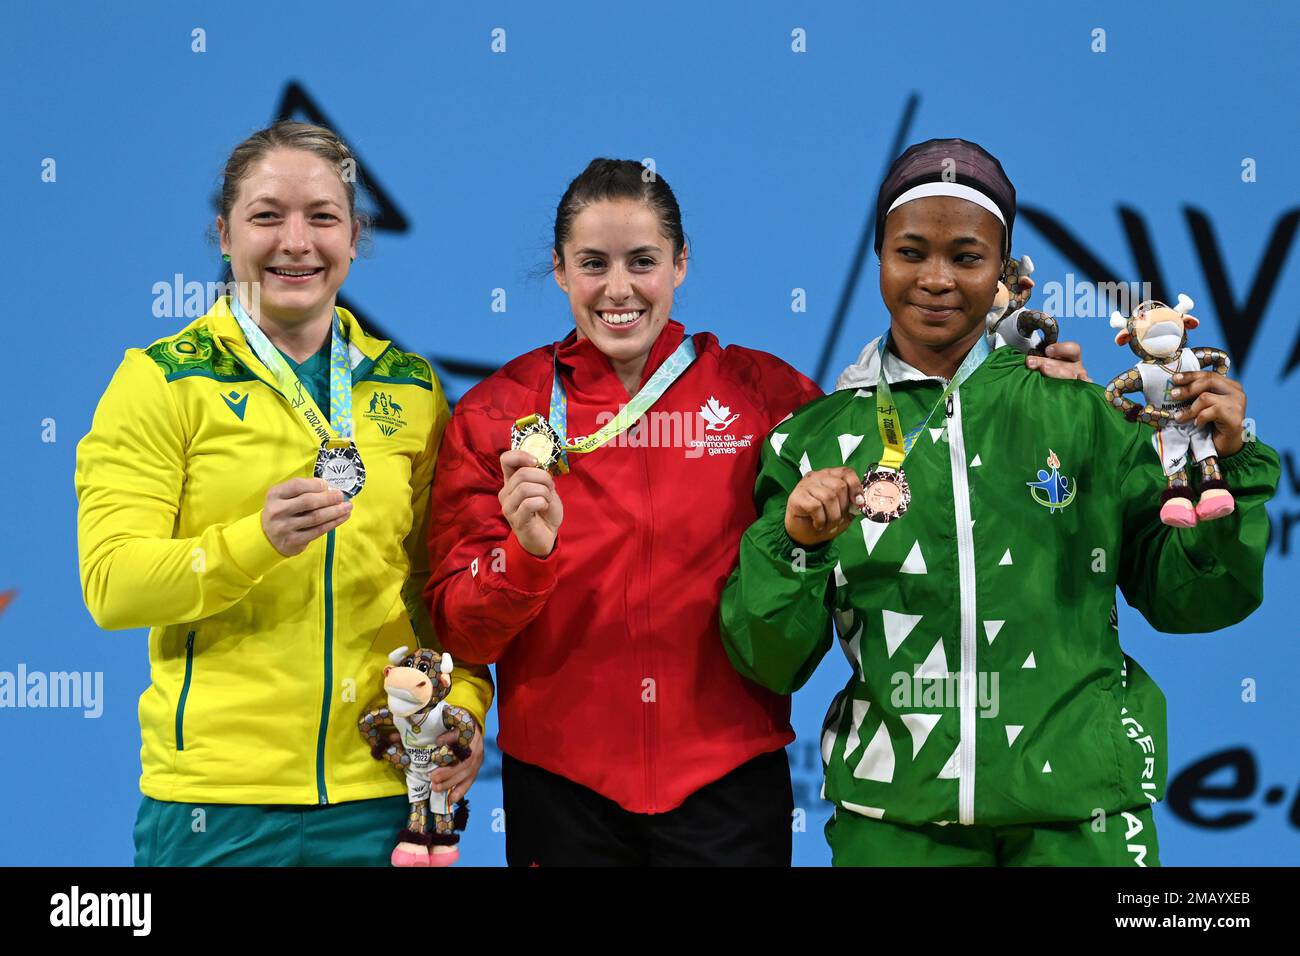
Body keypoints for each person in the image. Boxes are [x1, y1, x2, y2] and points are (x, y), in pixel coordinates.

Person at [424, 157, 1087, 866]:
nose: (618, 289)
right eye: (593, 263)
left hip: (729, 787)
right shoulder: (499, 412)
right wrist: (525, 558)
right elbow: (459, 628)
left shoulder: (763, 396)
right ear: (559, 269)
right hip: (560, 789)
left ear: (681, 264)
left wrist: (1024, 388)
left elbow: (913, 450)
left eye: (642, 261)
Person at [719, 138, 1280, 866]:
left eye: (968, 256)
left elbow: (1195, 602)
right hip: (896, 821)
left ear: (1008, 273)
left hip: (1080, 815)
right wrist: (797, 546)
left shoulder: (1086, 416)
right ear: (879, 256)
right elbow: (769, 660)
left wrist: (1227, 471)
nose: (937, 279)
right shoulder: (815, 441)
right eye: (911, 252)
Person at [75, 121, 492, 866]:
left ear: (356, 237)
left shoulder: (411, 387)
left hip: (380, 800)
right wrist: (253, 543)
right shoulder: (162, 380)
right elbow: (112, 586)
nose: (296, 242)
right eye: (267, 215)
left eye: (323, 217)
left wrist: (462, 707)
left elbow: (441, 590)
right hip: (214, 808)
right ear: (225, 235)